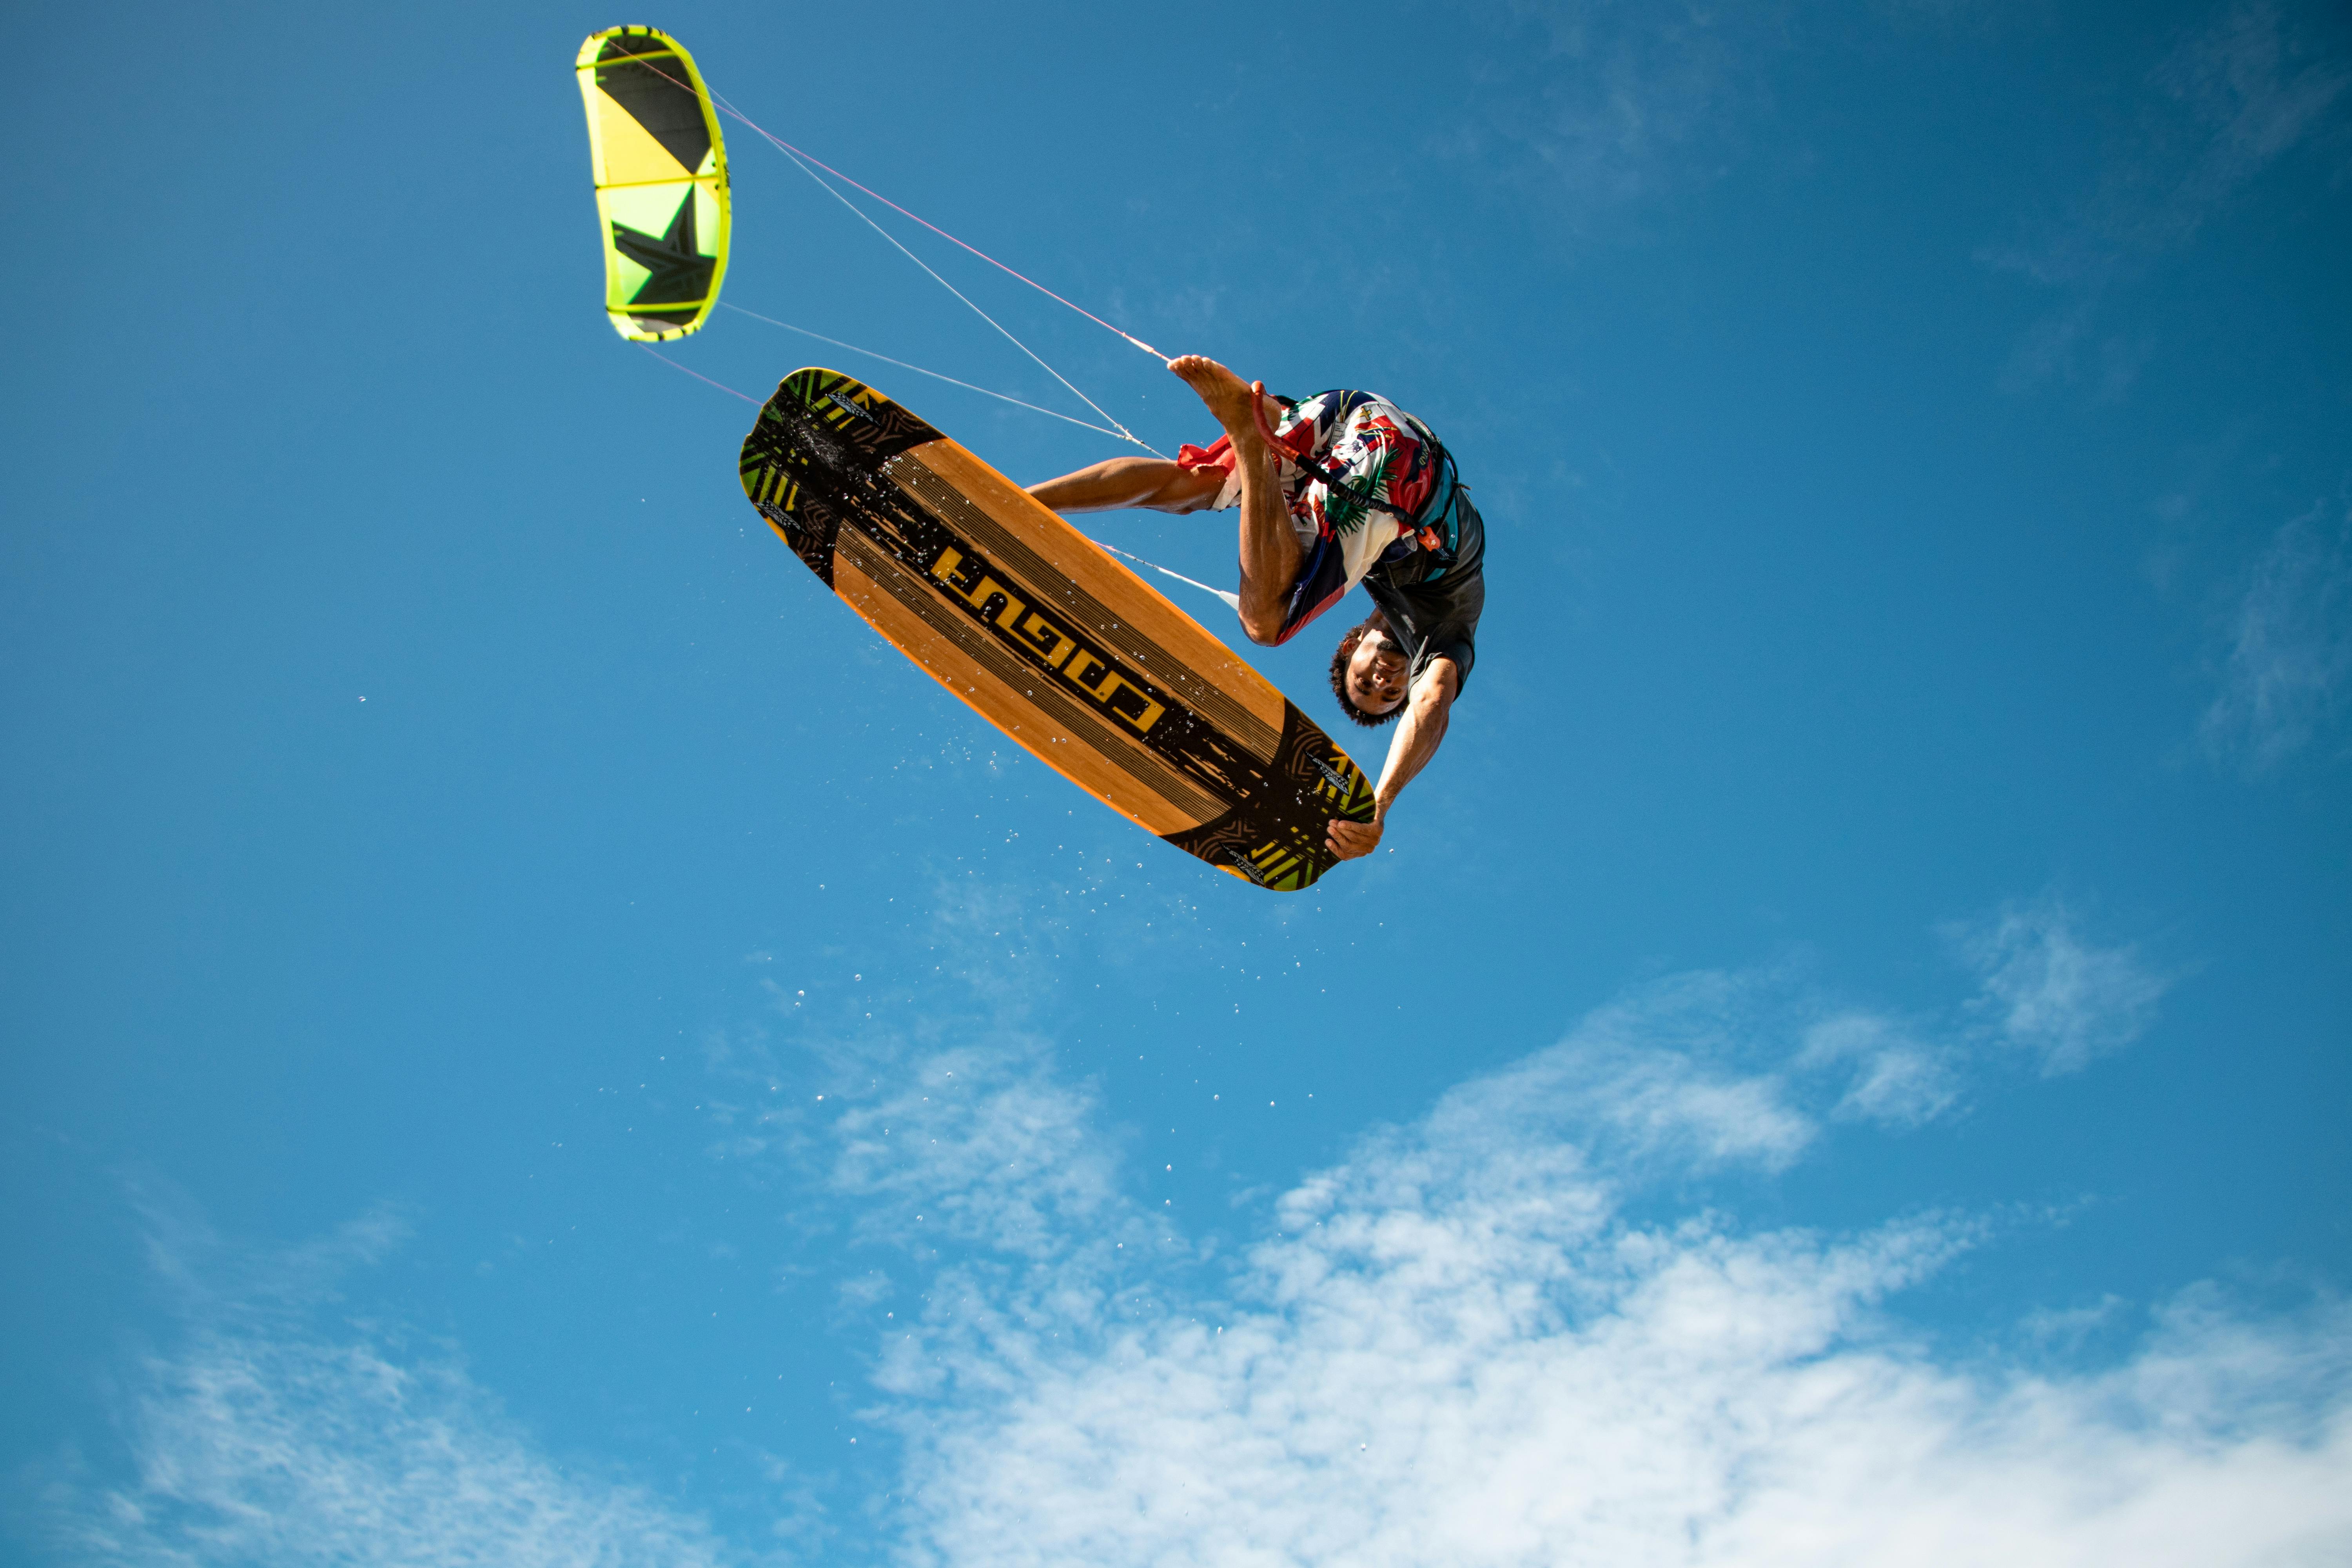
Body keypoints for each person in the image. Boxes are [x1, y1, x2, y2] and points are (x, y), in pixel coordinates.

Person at [1028, 355, 1484, 862]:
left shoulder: (1375, 573)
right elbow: (1433, 703)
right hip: (1403, 477)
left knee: (1193, 487)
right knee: (1266, 622)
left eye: (1372, 689)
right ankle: (1251, 439)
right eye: (1388, 692)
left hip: (1351, 415)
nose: (1386, 682)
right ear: (1350, 642)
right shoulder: (1445, 630)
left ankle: (1026, 501)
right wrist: (1380, 804)